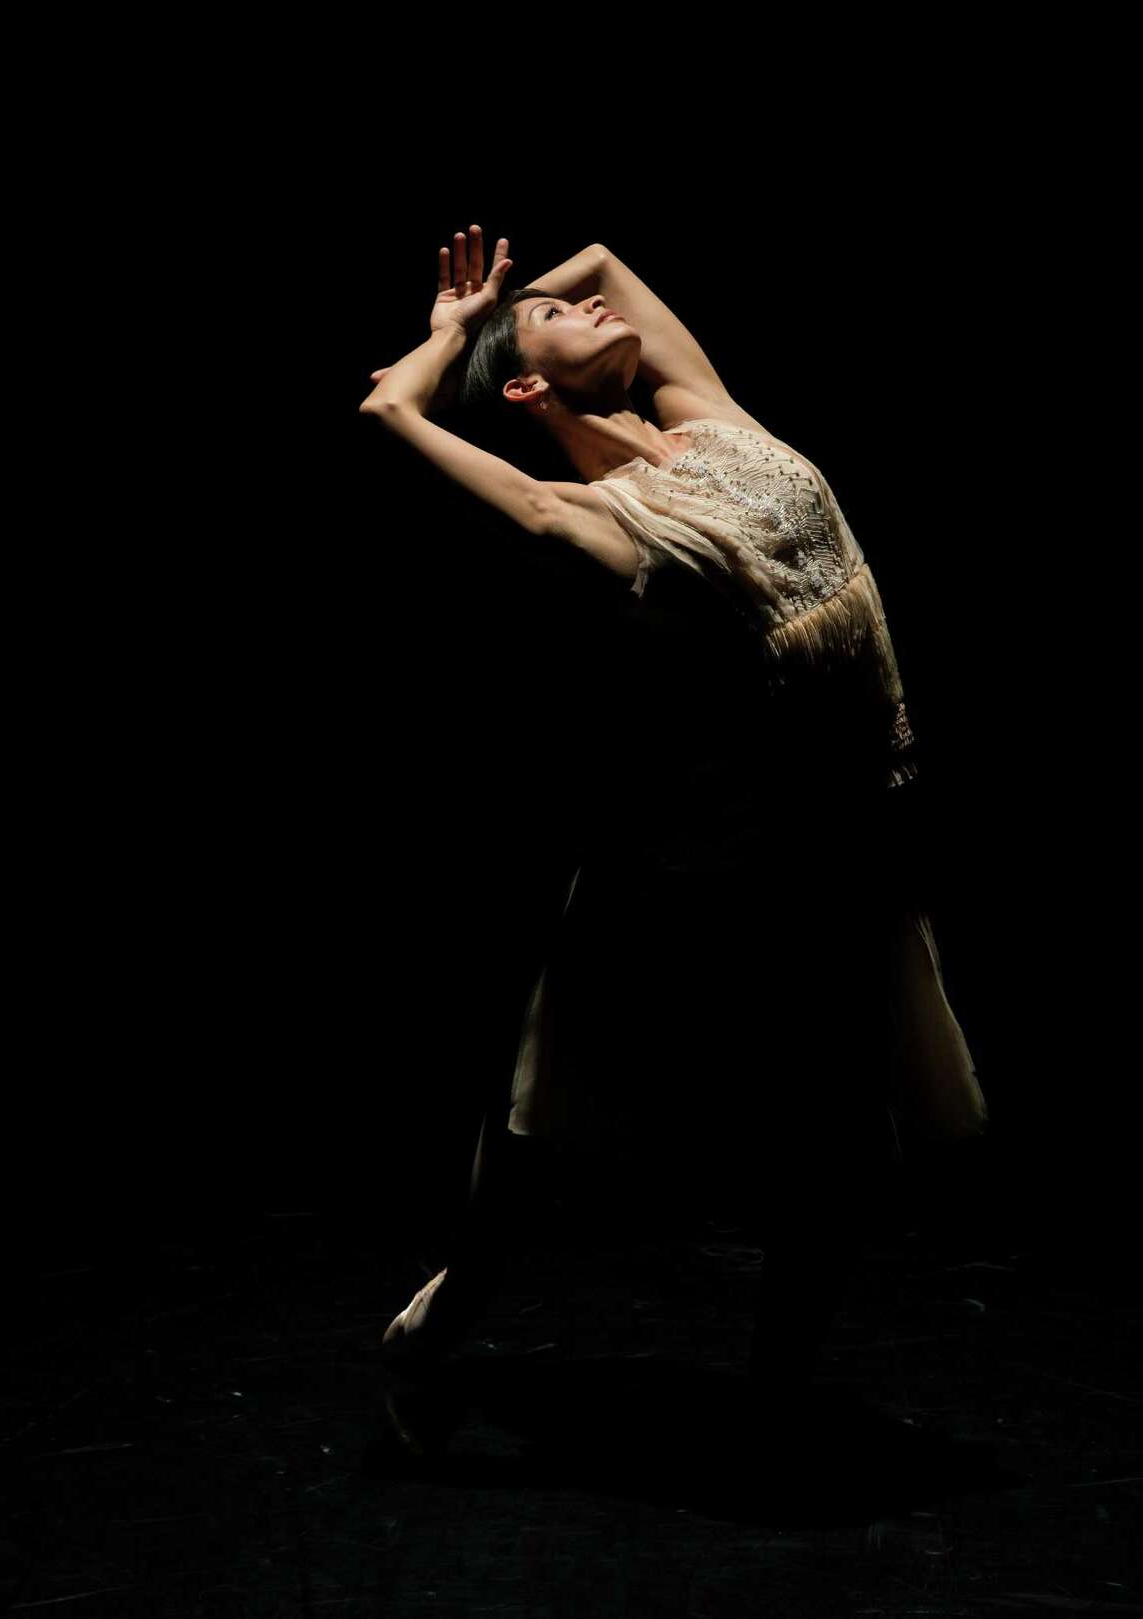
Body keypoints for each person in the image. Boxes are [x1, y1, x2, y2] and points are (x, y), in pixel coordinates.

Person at [361, 226, 989, 1456]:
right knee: (552, 1136)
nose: (583, 305)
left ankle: (777, 1394)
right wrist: (448, 341)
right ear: (529, 388)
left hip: (835, 854)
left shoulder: (712, 419)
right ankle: (434, 1331)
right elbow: (387, 407)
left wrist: (507, 298)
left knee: (834, 1142)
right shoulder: (598, 526)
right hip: (695, 869)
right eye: (551, 323)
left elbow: (595, 258)